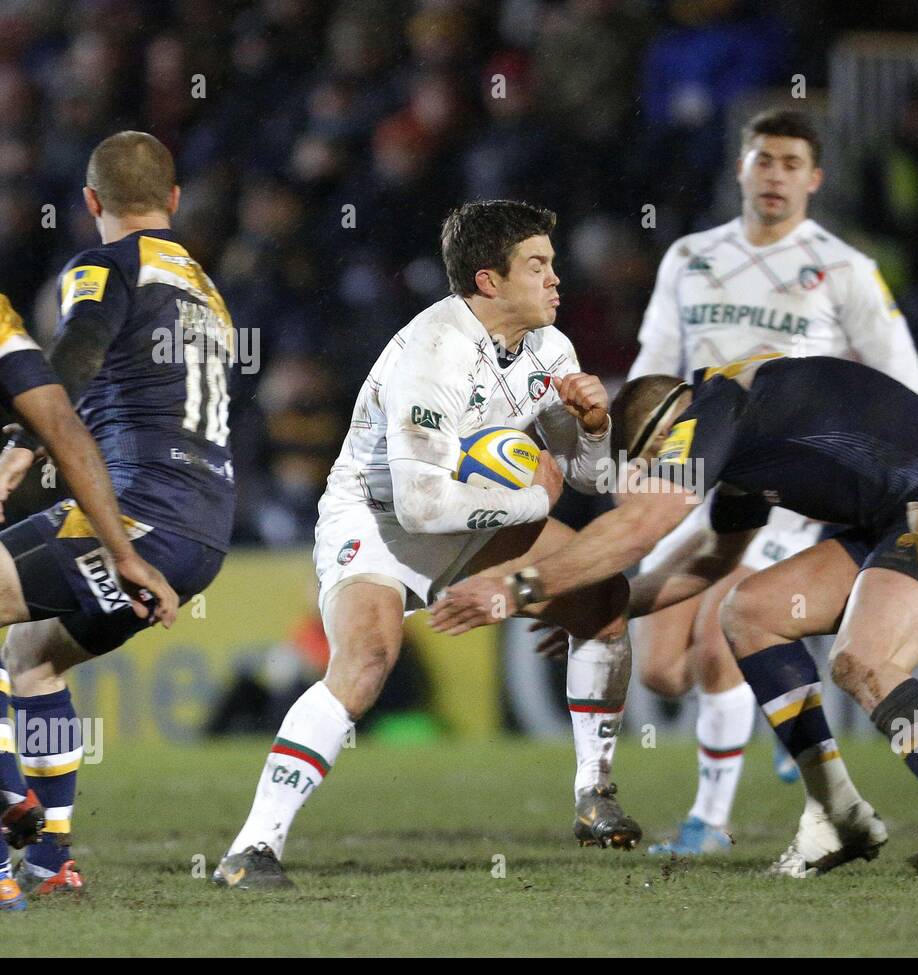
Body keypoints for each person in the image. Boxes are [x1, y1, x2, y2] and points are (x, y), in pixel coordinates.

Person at [431, 353, 918, 879]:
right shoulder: (745, 435)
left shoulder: (714, 409)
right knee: (749, 612)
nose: (653, 480)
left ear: (669, 432)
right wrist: (606, 605)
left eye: (655, 463)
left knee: (861, 659)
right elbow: (712, 562)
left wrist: (519, 585)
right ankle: (837, 813)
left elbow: (642, 529)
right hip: (892, 523)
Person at [214, 200, 638, 890]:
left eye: (553, 264)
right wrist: (535, 498)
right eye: (538, 266)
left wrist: (591, 426)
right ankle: (252, 848)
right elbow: (420, 504)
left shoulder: (551, 348)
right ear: (489, 280)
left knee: (603, 597)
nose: (557, 280)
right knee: (367, 659)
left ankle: (595, 792)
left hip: (476, 520)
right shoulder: (431, 352)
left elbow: (588, 476)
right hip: (379, 527)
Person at [626, 107, 918, 856]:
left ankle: (709, 824)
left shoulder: (843, 267)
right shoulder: (690, 257)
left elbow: (903, 379)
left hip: (784, 483)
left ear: (814, 179)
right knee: (663, 671)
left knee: (722, 638)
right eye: (764, 160)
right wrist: (636, 449)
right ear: (741, 169)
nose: (776, 175)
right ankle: (771, 701)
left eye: (792, 163)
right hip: (691, 473)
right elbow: (655, 362)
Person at [0, 130, 230, 903]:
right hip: (203, 531)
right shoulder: (204, 288)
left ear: (91, 203)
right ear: (172, 201)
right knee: (31, 656)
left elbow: (80, 349)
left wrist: (25, 441)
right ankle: (51, 859)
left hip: (140, 512)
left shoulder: (102, 265)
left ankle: (7, 809)